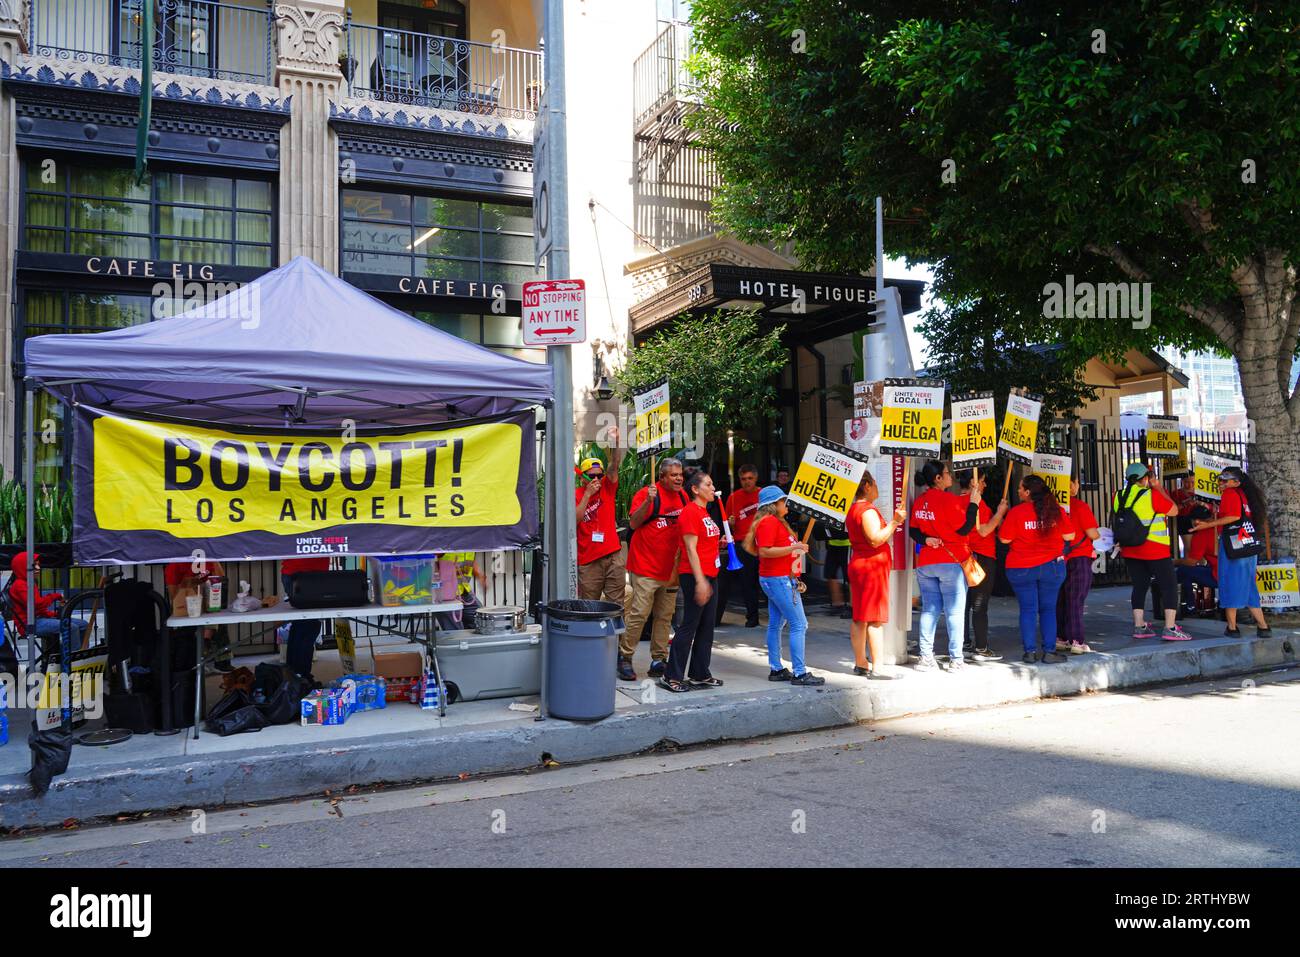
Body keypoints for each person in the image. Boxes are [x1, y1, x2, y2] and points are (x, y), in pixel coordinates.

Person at [744, 486, 824, 685]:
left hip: (777, 579)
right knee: (799, 624)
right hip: (777, 580)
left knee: (777, 624)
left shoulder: (773, 522)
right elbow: (766, 551)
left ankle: (777, 669)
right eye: (782, 500)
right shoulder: (769, 522)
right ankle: (799, 673)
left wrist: (794, 576)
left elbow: (775, 553)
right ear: (773, 505)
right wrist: (795, 547)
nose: (786, 503)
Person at [619, 457, 690, 681]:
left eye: (680, 475)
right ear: (662, 477)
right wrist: (647, 503)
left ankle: (659, 659)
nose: (679, 478)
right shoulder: (646, 494)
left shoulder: (683, 496)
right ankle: (625, 657)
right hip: (646, 565)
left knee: (664, 616)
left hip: (671, 568)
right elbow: (633, 523)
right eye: (673, 475)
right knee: (640, 613)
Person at [910, 459, 980, 672]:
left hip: (926, 563)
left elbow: (914, 531)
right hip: (951, 562)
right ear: (938, 478)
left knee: (930, 610)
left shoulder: (921, 501)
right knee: (954, 612)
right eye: (947, 473)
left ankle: (925, 657)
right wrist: (974, 504)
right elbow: (964, 529)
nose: (951, 476)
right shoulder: (948, 500)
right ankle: (956, 660)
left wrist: (926, 540)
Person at [999, 475, 1075, 663]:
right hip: (1052, 567)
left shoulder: (1016, 513)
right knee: (1048, 609)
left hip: (1021, 567)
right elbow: (1070, 534)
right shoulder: (1055, 511)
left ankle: (1030, 652)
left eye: (1020, 488)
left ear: (1028, 492)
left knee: (1028, 609)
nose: (1017, 491)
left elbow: (1004, 539)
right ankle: (1049, 652)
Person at [1112, 462, 1191, 641]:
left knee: (1139, 586)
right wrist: (1159, 488)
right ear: (1146, 478)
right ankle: (1170, 628)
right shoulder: (1151, 495)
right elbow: (1174, 510)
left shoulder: (1118, 495)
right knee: (1169, 586)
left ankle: (1139, 626)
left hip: (1130, 549)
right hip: (1155, 549)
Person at [661, 470, 724, 692]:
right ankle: (671, 676)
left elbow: (704, 543)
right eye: (708, 484)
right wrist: (700, 581)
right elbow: (690, 549)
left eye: (712, 483)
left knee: (707, 627)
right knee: (689, 625)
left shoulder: (705, 513)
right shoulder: (690, 512)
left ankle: (699, 673)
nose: (712, 487)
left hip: (711, 575)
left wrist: (720, 541)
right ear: (695, 489)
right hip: (696, 576)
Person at [1192, 466, 1273, 638]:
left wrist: (1207, 525)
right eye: (1220, 479)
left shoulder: (1230, 494)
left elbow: (1234, 516)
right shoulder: (1245, 495)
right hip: (1248, 546)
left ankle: (1232, 627)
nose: (1221, 483)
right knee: (1249, 585)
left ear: (1236, 482)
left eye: (1225, 480)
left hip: (1233, 547)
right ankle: (1263, 627)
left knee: (1229, 583)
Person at [846, 472, 906, 678]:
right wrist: (894, 522)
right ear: (867, 486)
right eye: (875, 483)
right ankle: (877, 667)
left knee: (860, 617)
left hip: (862, 565)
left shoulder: (854, 509)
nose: (877, 488)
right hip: (871, 568)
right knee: (874, 619)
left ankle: (861, 663)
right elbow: (874, 539)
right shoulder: (866, 510)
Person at [954, 469, 1008, 661]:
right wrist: (1000, 513)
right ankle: (981, 647)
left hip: (967, 555)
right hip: (981, 556)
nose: (985, 485)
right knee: (979, 604)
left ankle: (965, 642)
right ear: (973, 482)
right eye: (982, 481)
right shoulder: (974, 503)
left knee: (966, 602)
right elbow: (983, 531)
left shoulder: (956, 501)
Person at [575, 429, 625, 605]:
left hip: (612, 556)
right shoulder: (577, 494)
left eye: (599, 474)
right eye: (592, 475)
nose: (596, 478)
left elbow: (614, 465)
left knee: (617, 605)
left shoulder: (607, 487)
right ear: (583, 478)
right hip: (589, 561)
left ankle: (617, 634)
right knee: (589, 607)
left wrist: (616, 442)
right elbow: (574, 520)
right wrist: (588, 495)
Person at [8, 551, 86, 658]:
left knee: (83, 624)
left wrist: (51, 614)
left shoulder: (29, 582)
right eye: (34, 565)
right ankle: (71, 660)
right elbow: (37, 604)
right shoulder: (20, 585)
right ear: (23, 567)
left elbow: (38, 609)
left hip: (38, 619)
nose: (38, 568)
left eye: (38, 564)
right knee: (71, 627)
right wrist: (55, 596)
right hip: (29, 624)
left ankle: (68, 654)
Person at [1055, 476, 1101, 655]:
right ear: (1073, 485)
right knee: (1076, 600)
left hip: (1058, 558)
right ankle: (1076, 640)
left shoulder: (1053, 508)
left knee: (1060, 600)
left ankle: (1061, 637)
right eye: (1074, 483)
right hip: (1079, 557)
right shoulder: (1080, 506)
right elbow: (1092, 533)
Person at [164, 558, 233, 672]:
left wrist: (215, 562)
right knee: (196, 628)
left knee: (216, 620)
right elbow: (174, 597)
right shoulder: (175, 565)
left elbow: (221, 580)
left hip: (208, 604)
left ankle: (217, 659)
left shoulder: (209, 561)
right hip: (187, 607)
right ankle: (203, 658)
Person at [717, 464, 761, 627]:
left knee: (769, 582)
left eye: (750, 478)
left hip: (763, 542)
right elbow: (728, 527)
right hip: (742, 544)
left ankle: (778, 618)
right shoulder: (733, 497)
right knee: (747, 582)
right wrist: (730, 523)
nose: (747, 482)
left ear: (755, 478)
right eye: (743, 479)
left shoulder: (763, 494)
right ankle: (752, 617)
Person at [281, 556, 330, 679]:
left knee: (300, 624)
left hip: (295, 572)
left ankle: (293, 674)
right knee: (309, 627)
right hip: (309, 576)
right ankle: (301, 676)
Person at [1175, 501, 1218, 614]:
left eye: (1195, 519)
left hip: (1219, 576)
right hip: (1234, 572)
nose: (1194, 522)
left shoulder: (1201, 535)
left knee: (1183, 570)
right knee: (1190, 571)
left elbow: (1191, 562)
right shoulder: (1221, 526)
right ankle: (1192, 604)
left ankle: (1190, 605)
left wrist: (1174, 562)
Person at [823, 526, 851, 618]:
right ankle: (837, 604)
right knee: (829, 573)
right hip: (832, 544)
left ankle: (853, 606)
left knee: (850, 577)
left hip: (847, 545)